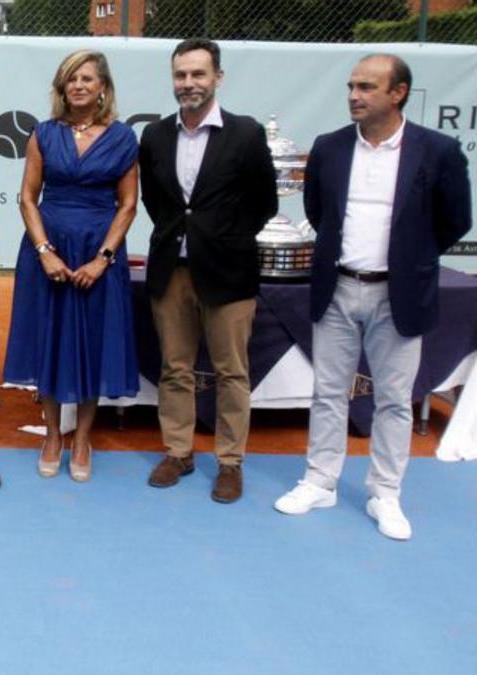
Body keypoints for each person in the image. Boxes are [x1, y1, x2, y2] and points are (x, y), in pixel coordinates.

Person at [274, 54, 472, 540]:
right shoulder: (330, 147)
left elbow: (455, 220)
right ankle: (320, 481)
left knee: (395, 400)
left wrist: (411, 258)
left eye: (366, 87)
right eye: (351, 86)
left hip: (399, 294)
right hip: (337, 288)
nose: (354, 96)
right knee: (328, 393)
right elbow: (319, 213)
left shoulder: (438, 151)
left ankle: (385, 493)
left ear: (398, 93)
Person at [138, 38, 277, 503]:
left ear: (218, 77)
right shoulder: (155, 135)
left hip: (228, 272)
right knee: (174, 368)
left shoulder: (246, 133)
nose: (188, 83)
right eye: (180, 75)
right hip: (171, 271)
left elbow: (263, 203)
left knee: (231, 372)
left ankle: (230, 461)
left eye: (198, 74)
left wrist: (221, 240)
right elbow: (156, 202)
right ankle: (178, 452)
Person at [3, 50, 140, 483]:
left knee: (91, 345)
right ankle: (51, 436)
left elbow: (128, 204)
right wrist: (45, 251)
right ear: (62, 88)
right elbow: (28, 198)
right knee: (49, 340)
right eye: (71, 79)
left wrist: (102, 259)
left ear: (103, 87)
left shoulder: (123, 138)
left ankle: (82, 439)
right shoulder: (44, 134)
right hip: (48, 251)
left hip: (99, 253)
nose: (78, 85)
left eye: (86, 78)